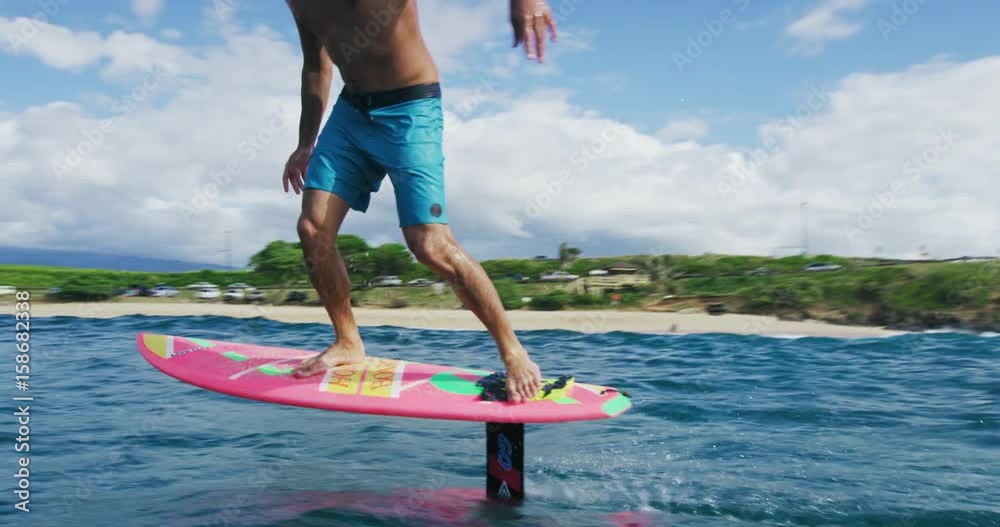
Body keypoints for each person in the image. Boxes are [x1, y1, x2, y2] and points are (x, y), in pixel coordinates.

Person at [282, 0, 557, 403]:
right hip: (351, 114)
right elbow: (315, 63)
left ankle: (513, 351)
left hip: (410, 107)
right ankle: (347, 341)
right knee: (312, 228)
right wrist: (306, 142)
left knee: (431, 246)